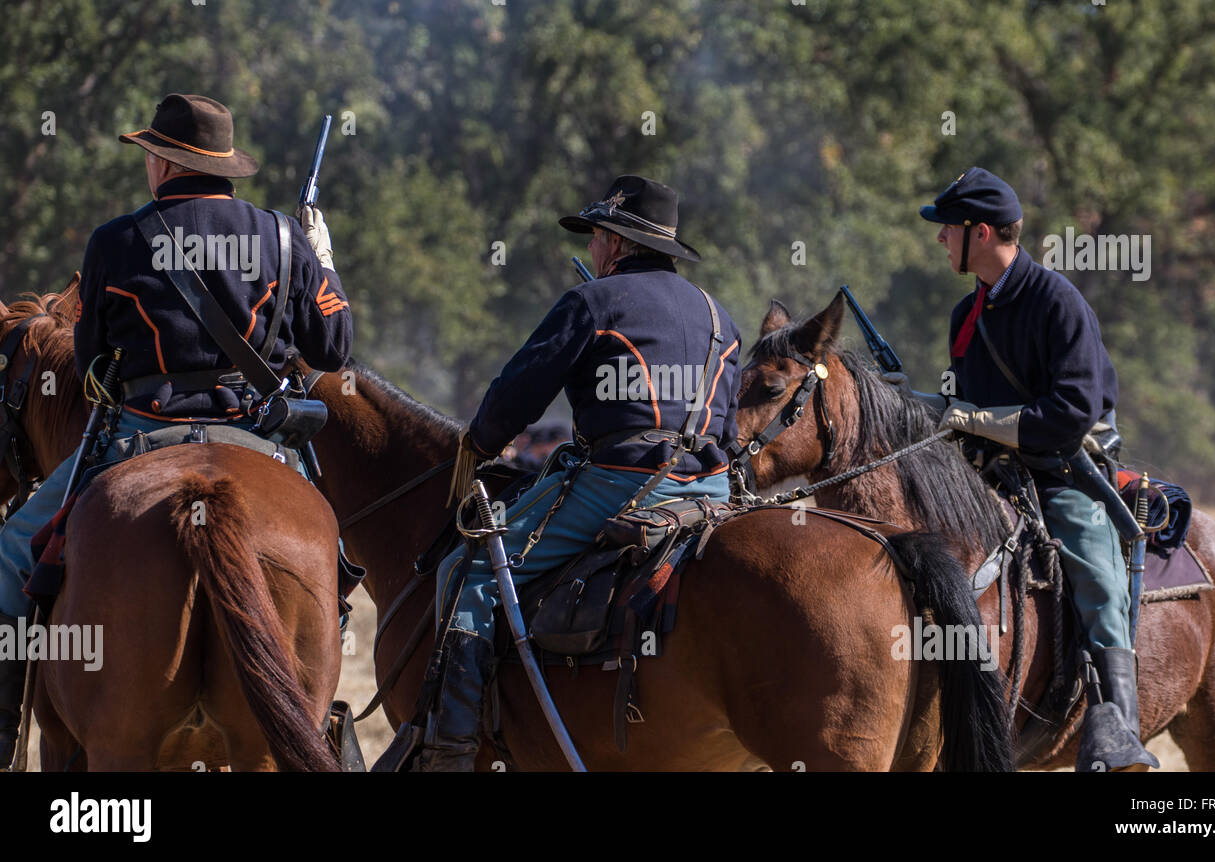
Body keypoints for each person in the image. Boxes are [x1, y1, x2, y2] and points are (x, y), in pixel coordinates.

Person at [0, 93, 351, 768]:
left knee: (13, 554)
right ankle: (323, 721)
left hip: (136, 437)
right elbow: (335, 347)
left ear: (161, 163)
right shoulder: (282, 237)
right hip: (260, 440)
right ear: (223, 166)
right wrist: (321, 259)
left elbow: (92, 358)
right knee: (332, 566)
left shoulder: (114, 241)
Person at [419, 175, 742, 770]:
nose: (594, 247)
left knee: (468, 575)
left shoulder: (592, 303)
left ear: (613, 242)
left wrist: (481, 442)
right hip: (713, 488)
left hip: (624, 480)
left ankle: (449, 751)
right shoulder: (719, 315)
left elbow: (519, 393)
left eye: (596, 234)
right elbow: (727, 430)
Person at [889, 167, 1158, 772]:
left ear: (980, 234)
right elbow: (960, 403)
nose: (940, 240)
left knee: (1097, 578)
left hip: (1061, 468)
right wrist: (912, 401)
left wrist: (968, 417)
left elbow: (1069, 413)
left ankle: (1120, 737)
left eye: (948, 230)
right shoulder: (966, 312)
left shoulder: (1057, 300)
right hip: (984, 471)